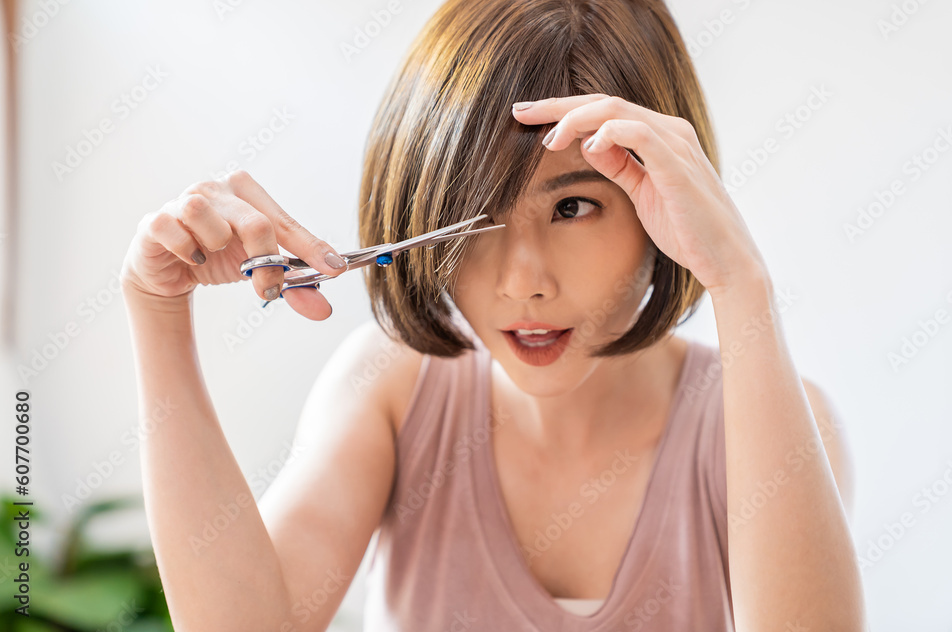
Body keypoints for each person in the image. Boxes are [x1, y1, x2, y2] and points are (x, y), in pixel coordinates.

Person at [121, 0, 867, 629]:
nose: (524, 283)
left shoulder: (771, 420)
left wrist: (742, 283)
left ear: (662, 203)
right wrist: (156, 310)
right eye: (475, 221)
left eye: (574, 206)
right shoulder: (392, 391)